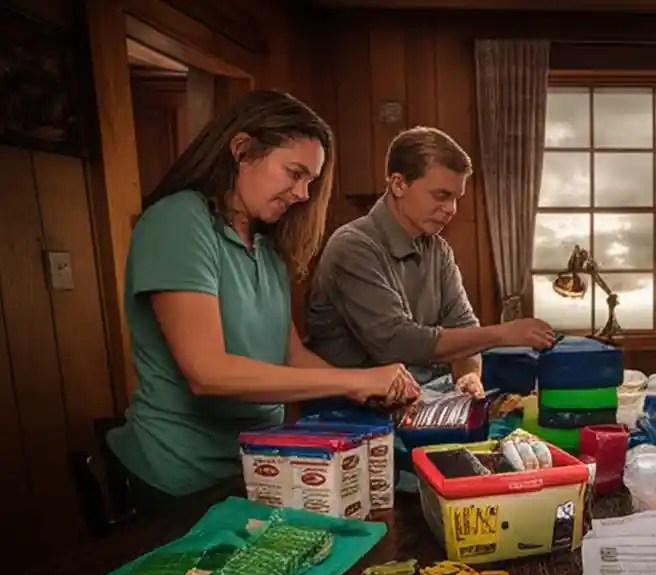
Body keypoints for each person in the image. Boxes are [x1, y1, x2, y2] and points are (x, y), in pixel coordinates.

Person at [106, 89, 420, 515]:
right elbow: (207, 372)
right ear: (242, 150)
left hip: (257, 470)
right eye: (294, 173)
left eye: (310, 180)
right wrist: (355, 381)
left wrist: (368, 392)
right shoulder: (178, 220)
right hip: (179, 481)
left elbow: (290, 355)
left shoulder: (265, 244)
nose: (303, 194)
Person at [306, 126, 556, 397]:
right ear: (398, 184)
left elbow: (462, 327)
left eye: (456, 198)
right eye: (441, 195)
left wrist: (469, 375)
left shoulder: (439, 251)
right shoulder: (353, 246)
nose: (451, 209)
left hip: (422, 403)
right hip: (349, 416)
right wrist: (501, 335)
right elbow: (394, 342)